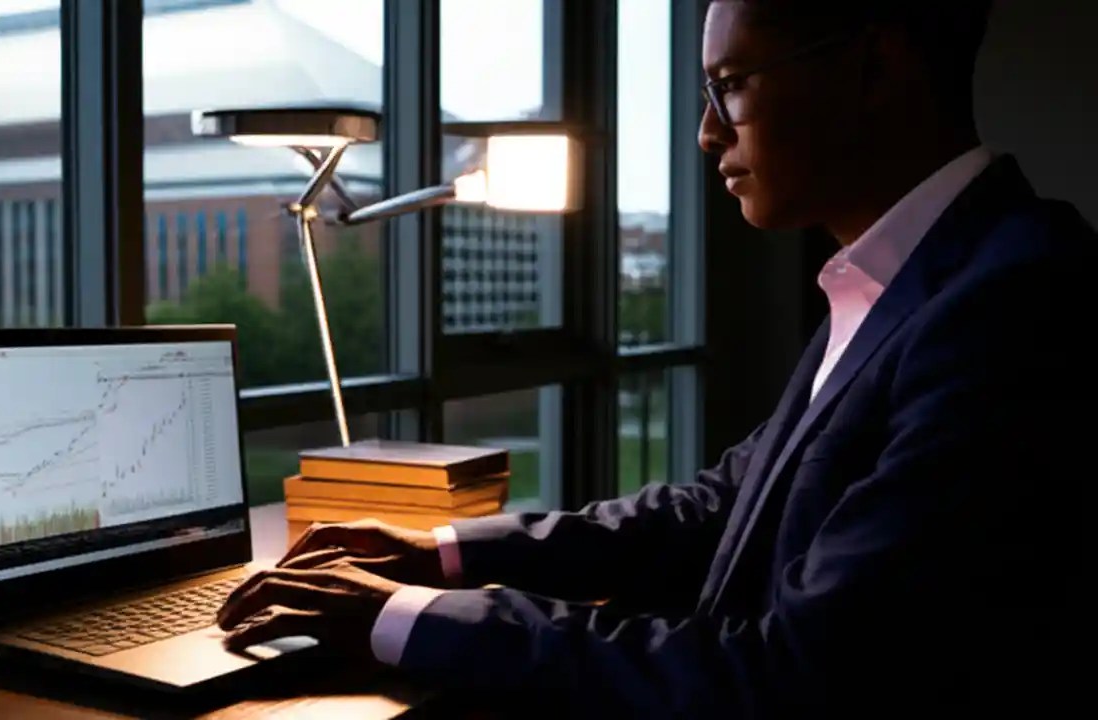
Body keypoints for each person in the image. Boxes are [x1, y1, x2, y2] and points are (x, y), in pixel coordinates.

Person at [217, 0, 1093, 716]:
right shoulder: (903, 279)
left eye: (731, 86)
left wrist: (408, 617)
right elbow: (718, 507)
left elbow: (796, 673)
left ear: (876, 67)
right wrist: (440, 552)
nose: (708, 133)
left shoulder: (1013, 302)